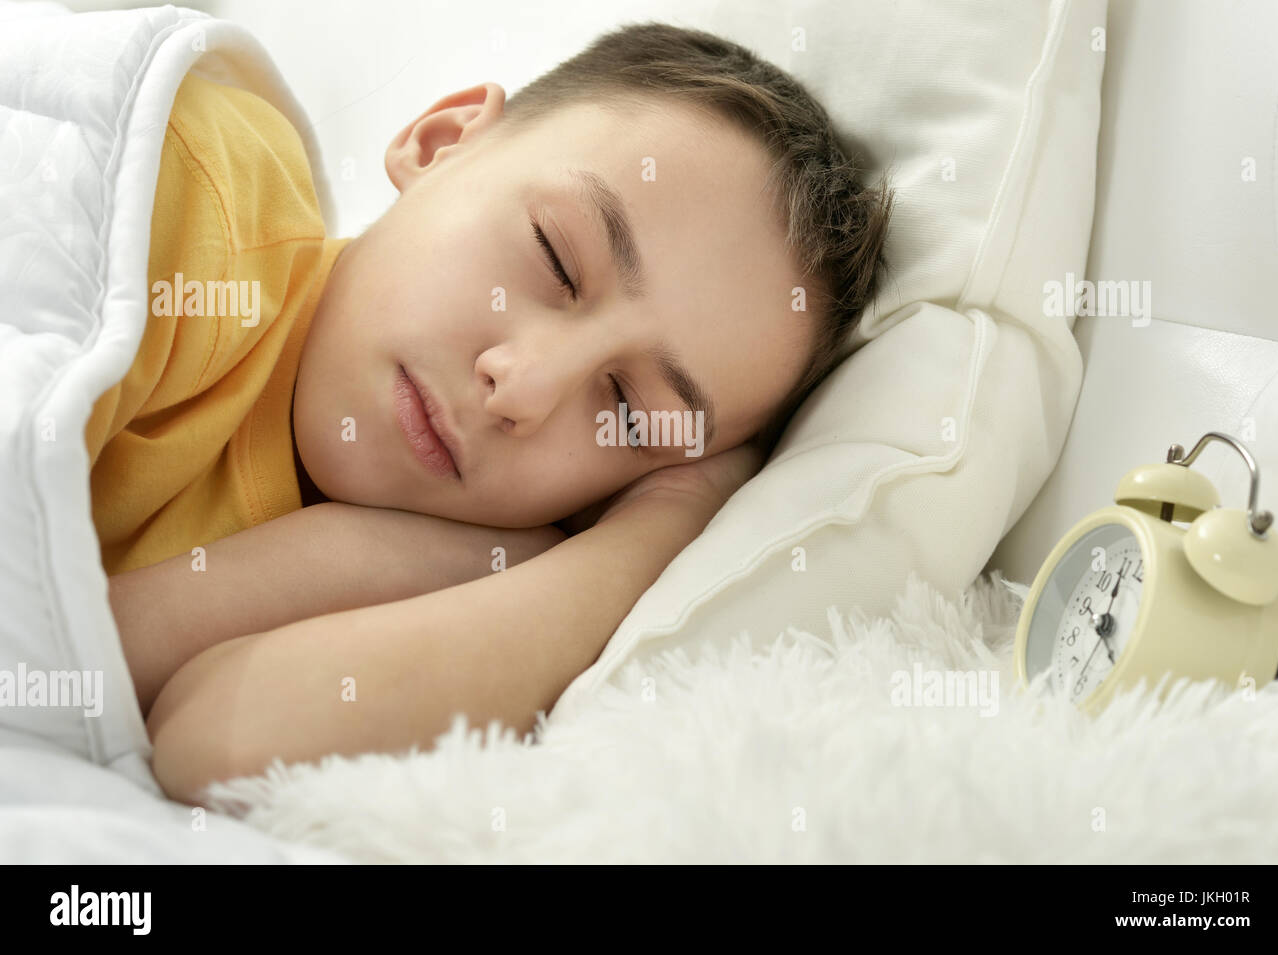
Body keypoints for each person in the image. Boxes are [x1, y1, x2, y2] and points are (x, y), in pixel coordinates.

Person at [93, 21, 894, 803]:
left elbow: (219, 747)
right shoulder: (193, 193)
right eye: (554, 257)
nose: (523, 388)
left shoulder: (454, 580)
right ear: (443, 140)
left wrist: (646, 538)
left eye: (628, 410)